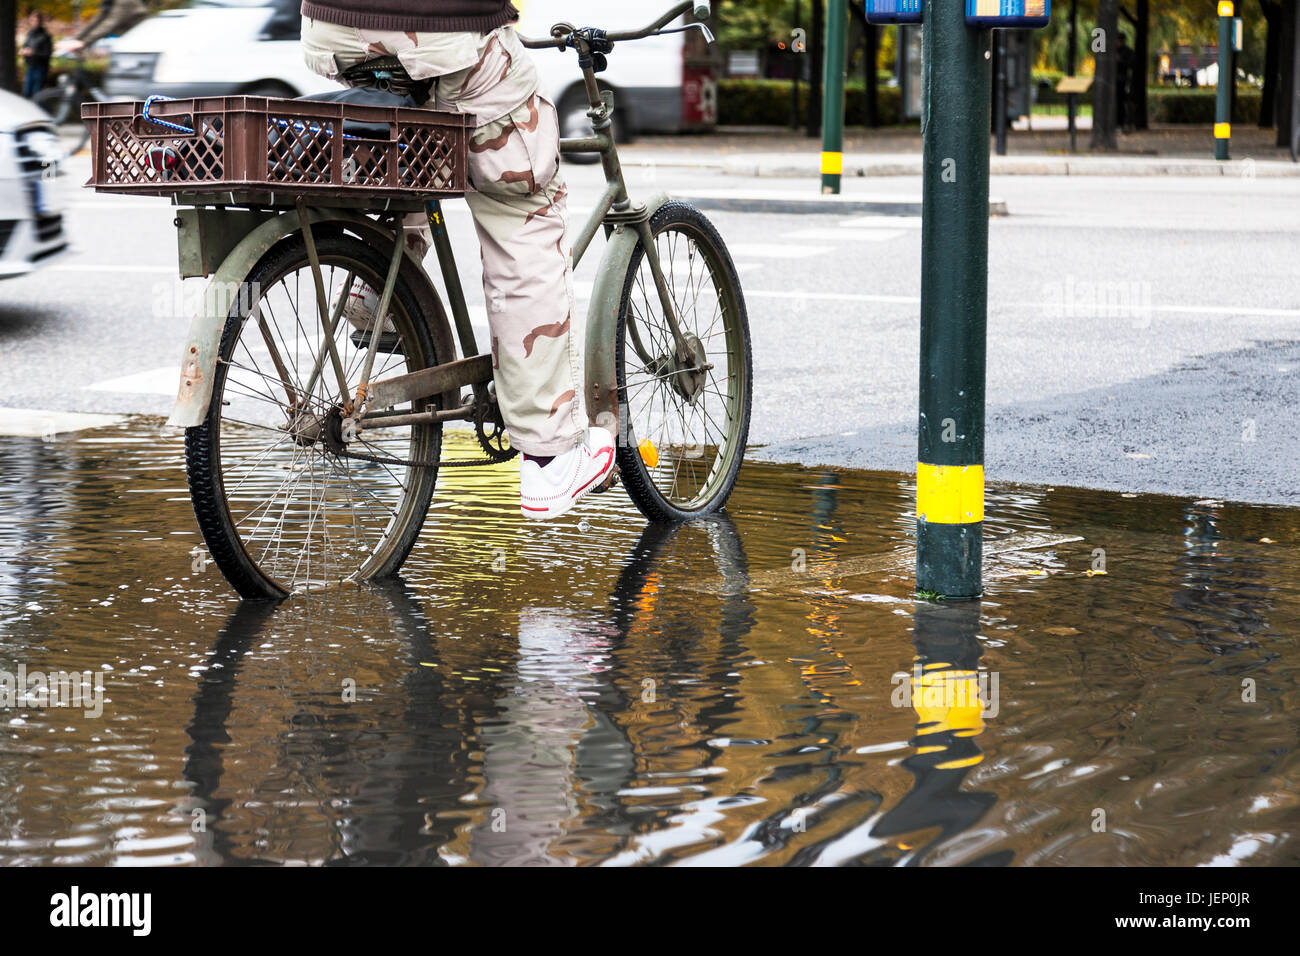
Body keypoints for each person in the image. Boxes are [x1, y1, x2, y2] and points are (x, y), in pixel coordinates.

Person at [299, 0, 615, 521]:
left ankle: (372, 294)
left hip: (333, 31)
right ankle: (550, 456)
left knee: (405, 149)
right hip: (442, 32)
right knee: (523, 211)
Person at [19, 11, 53, 99]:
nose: (35, 22)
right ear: (30, 21)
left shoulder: (46, 36)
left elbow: (47, 54)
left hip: (40, 68)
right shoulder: (30, 34)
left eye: (37, 20)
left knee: (36, 94)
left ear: (41, 21)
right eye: (33, 20)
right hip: (30, 66)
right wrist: (23, 50)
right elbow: (25, 46)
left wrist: (33, 53)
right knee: (26, 93)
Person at [1115, 32, 1136, 134]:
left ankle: (1121, 124)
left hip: (1123, 81)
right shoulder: (1113, 51)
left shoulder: (1127, 52)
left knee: (1122, 104)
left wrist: (1121, 61)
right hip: (1114, 82)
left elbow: (1132, 65)